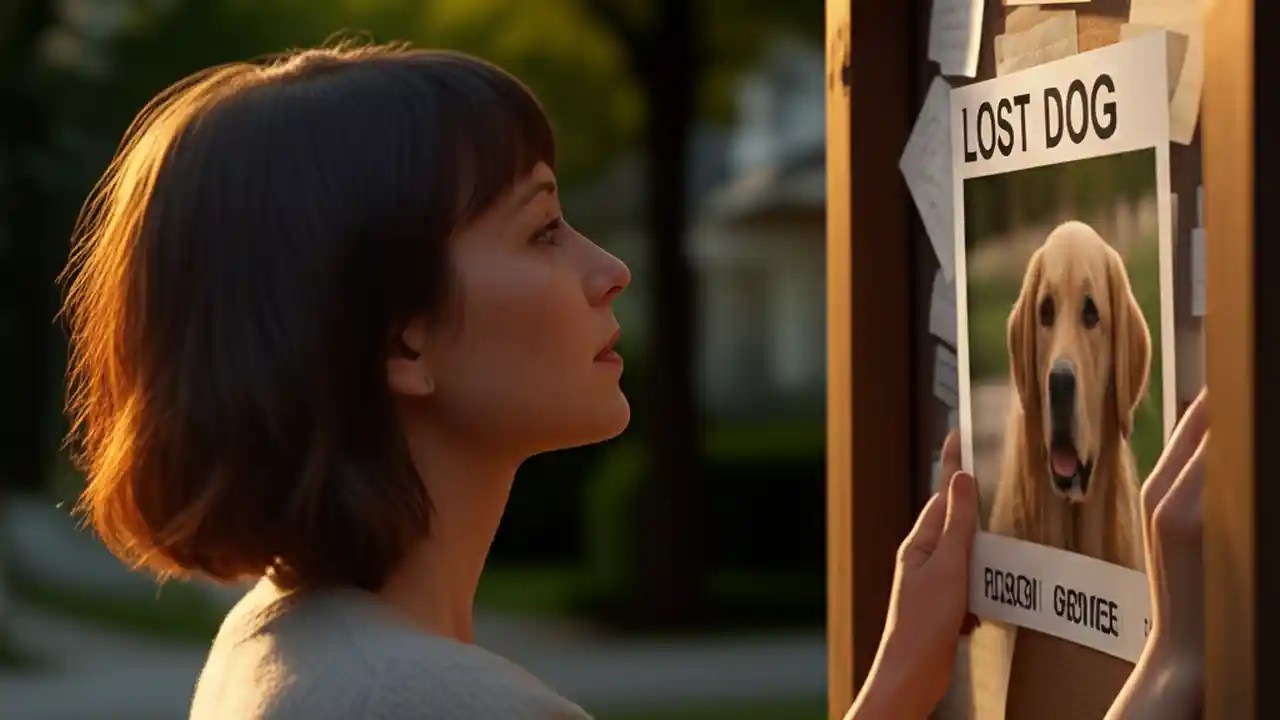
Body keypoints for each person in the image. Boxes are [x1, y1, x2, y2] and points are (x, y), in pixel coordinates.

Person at [59, 43, 1206, 719]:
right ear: (402, 343)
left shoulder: (287, 638)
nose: (606, 272)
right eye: (543, 230)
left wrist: (904, 666)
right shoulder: (430, 708)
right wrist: (1186, 660)